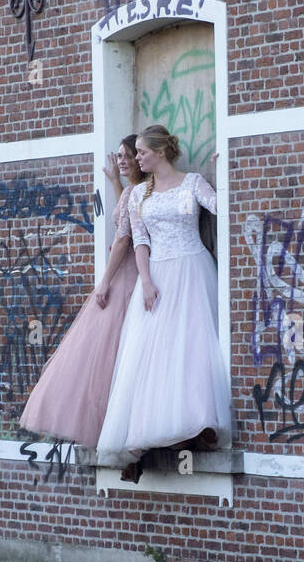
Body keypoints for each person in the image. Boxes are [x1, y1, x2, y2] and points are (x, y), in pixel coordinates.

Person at [95, 125, 230, 476]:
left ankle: (196, 423)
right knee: (153, 352)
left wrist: (223, 172)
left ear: (160, 151)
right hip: (157, 275)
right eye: (135, 152)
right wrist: (147, 281)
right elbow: (140, 241)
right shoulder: (139, 193)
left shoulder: (194, 182)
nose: (137, 158)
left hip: (193, 269)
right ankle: (149, 432)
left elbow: (220, 207)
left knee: (193, 346)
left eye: (141, 152)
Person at [19, 135, 146, 448]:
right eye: (119, 156)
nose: (122, 161)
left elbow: (123, 238)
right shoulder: (133, 192)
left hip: (128, 272)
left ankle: (118, 424)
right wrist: (116, 182)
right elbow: (123, 213)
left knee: (116, 346)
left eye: (128, 156)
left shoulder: (141, 192)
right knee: (108, 347)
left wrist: (104, 281)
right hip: (125, 269)